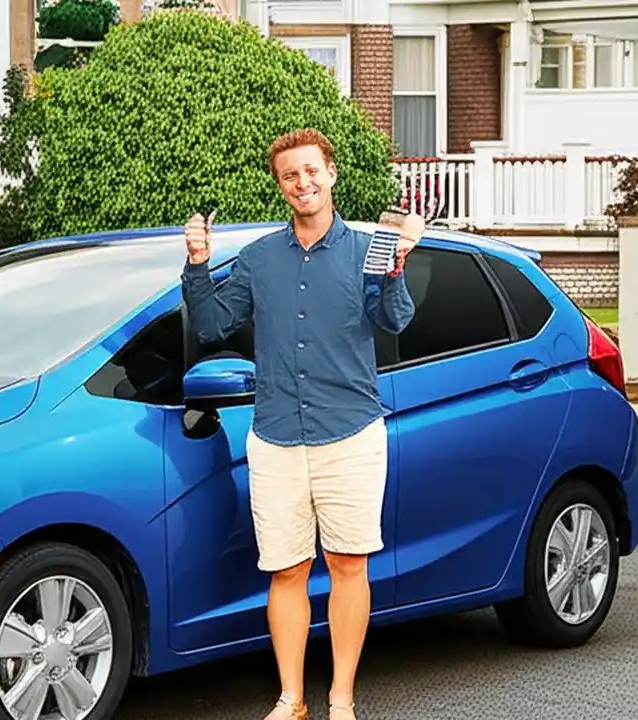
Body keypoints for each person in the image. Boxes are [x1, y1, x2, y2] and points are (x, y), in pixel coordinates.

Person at [180, 128, 422, 720]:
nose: (302, 183)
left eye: (311, 171)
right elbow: (211, 323)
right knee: (286, 571)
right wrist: (197, 263)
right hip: (277, 439)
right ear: (281, 185)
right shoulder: (260, 258)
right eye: (290, 175)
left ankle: (341, 697)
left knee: (347, 565)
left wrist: (397, 265)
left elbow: (394, 320)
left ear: (331, 174)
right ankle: (292, 699)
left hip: (351, 435)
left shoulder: (369, 248)